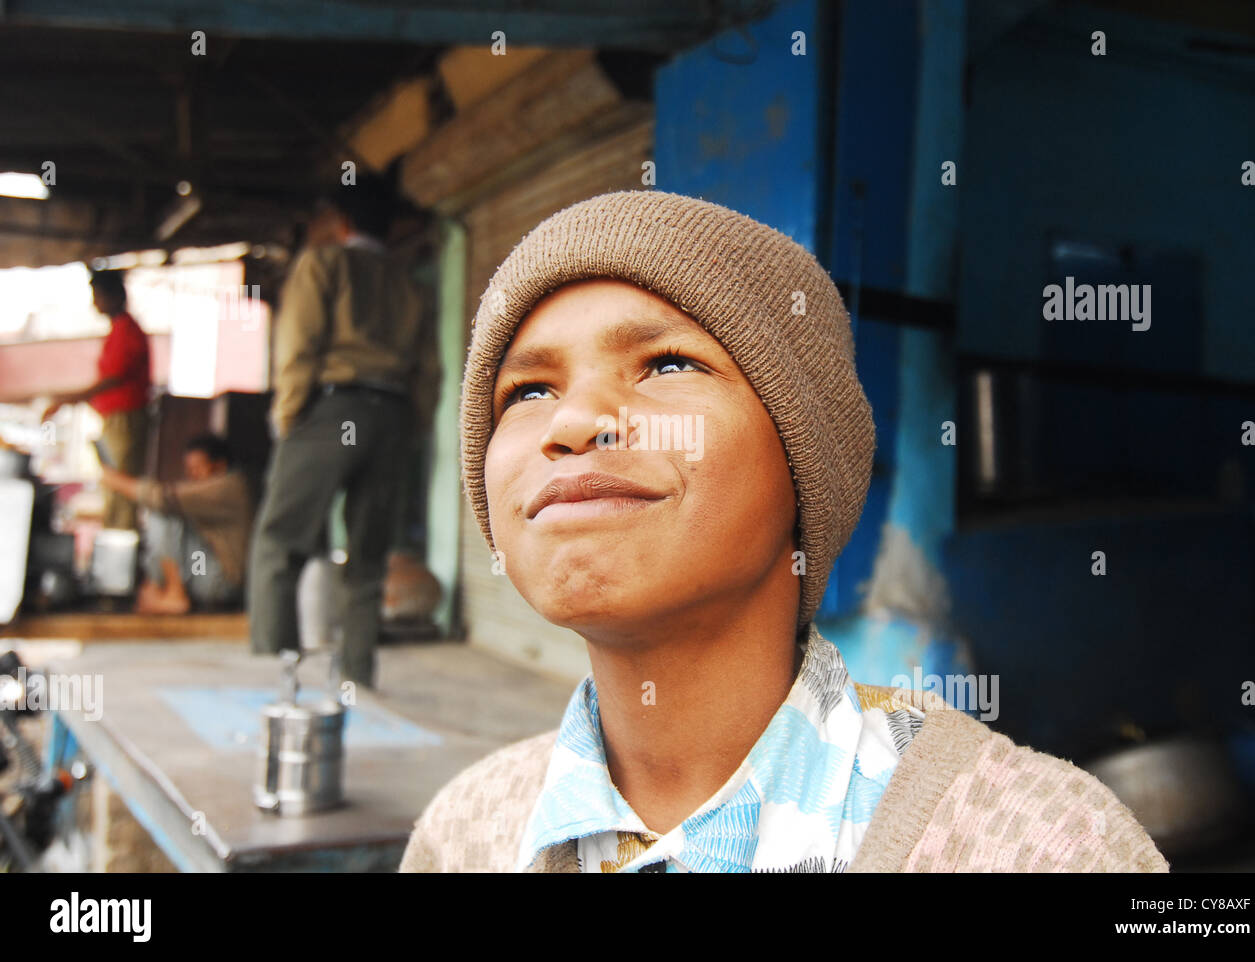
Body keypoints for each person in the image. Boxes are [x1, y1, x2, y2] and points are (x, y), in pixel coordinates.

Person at [399, 191, 1168, 873]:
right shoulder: (466, 834)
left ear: (806, 459)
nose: (570, 422)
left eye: (668, 366)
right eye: (528, 389)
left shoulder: (1038, 846)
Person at [246, 174, 439, 689]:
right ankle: (357, 673)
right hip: (392, 417)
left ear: (341, 222)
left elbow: (298, 346)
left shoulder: (322, 264)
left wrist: (288, 417)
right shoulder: (410, 284)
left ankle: (275, 667)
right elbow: (430, 371)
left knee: (279, 541)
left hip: (331, 411)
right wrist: (411, 428)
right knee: (369, 558)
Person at [43, 269, 151, 530]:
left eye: (98, 296)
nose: (95, 303)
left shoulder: (127, 331)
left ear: (114, 296)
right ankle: (115, 539)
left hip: (125, 419)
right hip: (115, 419)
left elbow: (112, 379)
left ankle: (121, 544)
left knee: (121, 485)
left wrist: (67, 400)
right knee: (112, 483)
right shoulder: (119, 330)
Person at [99, 433, 252, 613]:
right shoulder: (225, 488)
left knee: (163, 513)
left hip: (218, 581)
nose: (192, 475)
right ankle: (159, 590)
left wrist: (116, 481)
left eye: (198, 468)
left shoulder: (229, 486)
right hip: (201, 571)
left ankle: (174, 594)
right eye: (189, 469)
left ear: (219, 466)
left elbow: (162, 498)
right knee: (168, 514)